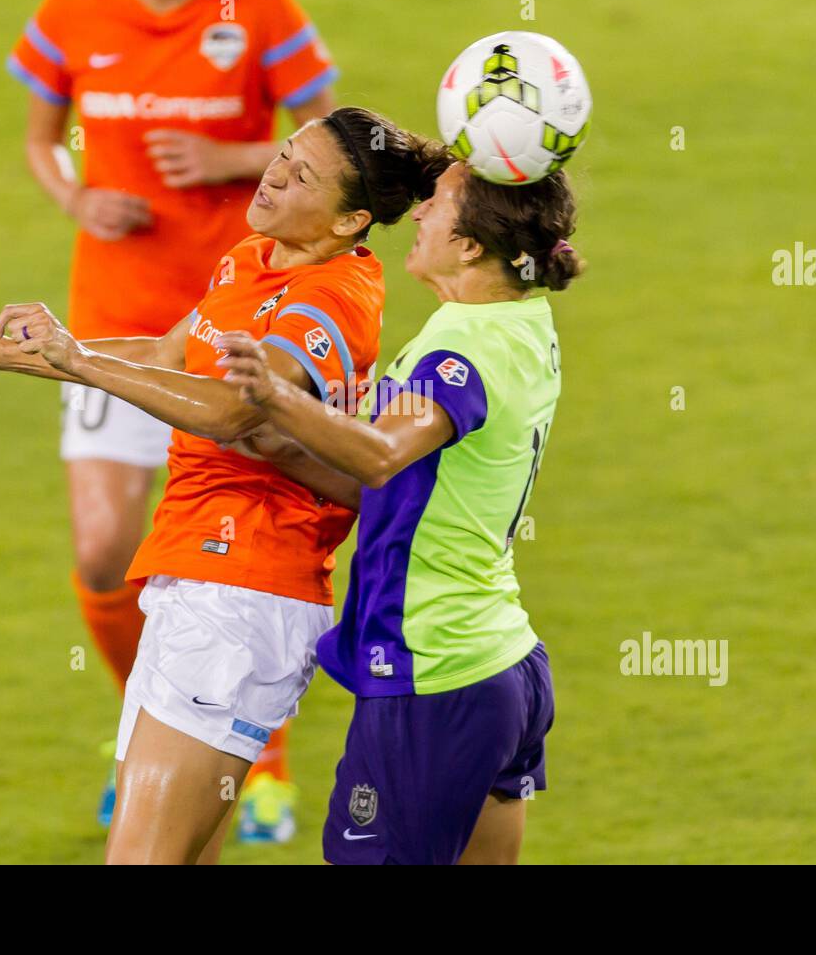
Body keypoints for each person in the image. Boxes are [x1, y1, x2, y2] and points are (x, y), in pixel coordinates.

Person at [0, 108, 445, 864]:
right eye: (283, 154)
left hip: (239, 590)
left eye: (303, 175)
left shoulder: (330, 298)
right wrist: (11, 354)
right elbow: (172, 352)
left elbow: (237, 409)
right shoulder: (252, 258)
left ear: (351, 220)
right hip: (207, 582)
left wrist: (75, 361)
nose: (274, 174)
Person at [5, 0, 338, 832]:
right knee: (104, 549)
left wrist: (231, 160)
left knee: (242, 564)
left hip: (235, 329)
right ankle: (149, 737)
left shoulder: (260, 9)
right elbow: (41, 140)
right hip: (112, 329)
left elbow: (334, 140)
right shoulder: (72, 9)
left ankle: (258, 763)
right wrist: (77, 200)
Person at [216, 160, 581, 864]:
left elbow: (383, 453)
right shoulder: (521, 321)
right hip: (503, 664)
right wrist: (289, 453)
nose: (416, 215)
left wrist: (277, 393)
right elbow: (406, 482)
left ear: (471, 244)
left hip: (432, 670)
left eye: (437, 205)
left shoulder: (464, 344)